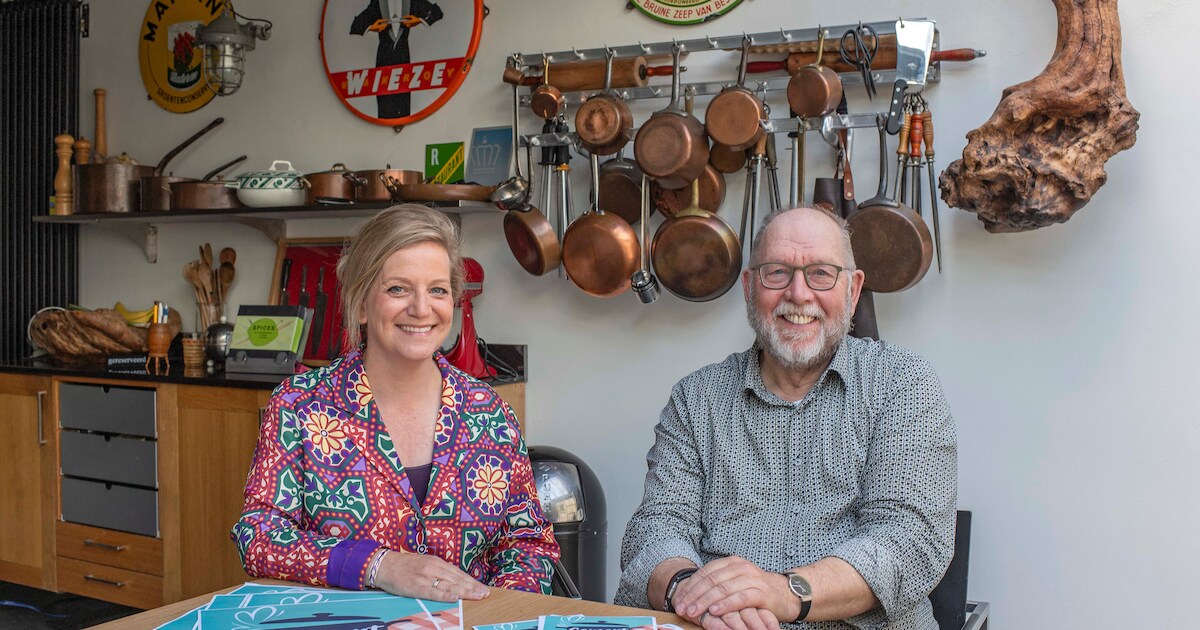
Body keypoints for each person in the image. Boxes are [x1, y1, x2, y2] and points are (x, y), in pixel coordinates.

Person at [615, 206, 956, 629]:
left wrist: (784, 592)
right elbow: (656, 526)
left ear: (853, 290)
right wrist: (687, 589)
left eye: (821, 274)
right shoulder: (696, 398)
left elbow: (909, 540)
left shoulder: (902, 384)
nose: (798, 294)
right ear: (749, 287)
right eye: (777, 272)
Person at [232, 204, 559, 601]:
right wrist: (379, 565)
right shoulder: (300, 406)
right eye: (398, 289)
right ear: (360, 304)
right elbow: (259, 536)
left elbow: (527, 542)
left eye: (437, 290)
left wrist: (493, 616)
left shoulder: (488, 412)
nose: (421, 309)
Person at [351, 0, 444, 119]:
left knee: (403, 102)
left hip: (403, 56)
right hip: (384, 58)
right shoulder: (378, 2)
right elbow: (355, 26)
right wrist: (372, 27)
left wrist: (418, 21)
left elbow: (437, 13)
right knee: (384, 107)